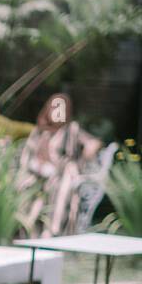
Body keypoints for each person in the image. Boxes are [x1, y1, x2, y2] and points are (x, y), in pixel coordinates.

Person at [16, 93, 103, 237]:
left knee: (59, 186)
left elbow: (92, 142)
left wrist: (91, 146)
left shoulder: (71, 129)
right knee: (24, 186)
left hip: (60, 173)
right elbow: (28, 155)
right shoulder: (39, 130)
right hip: (36, 173)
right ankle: (27, 231)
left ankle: (51, 231)